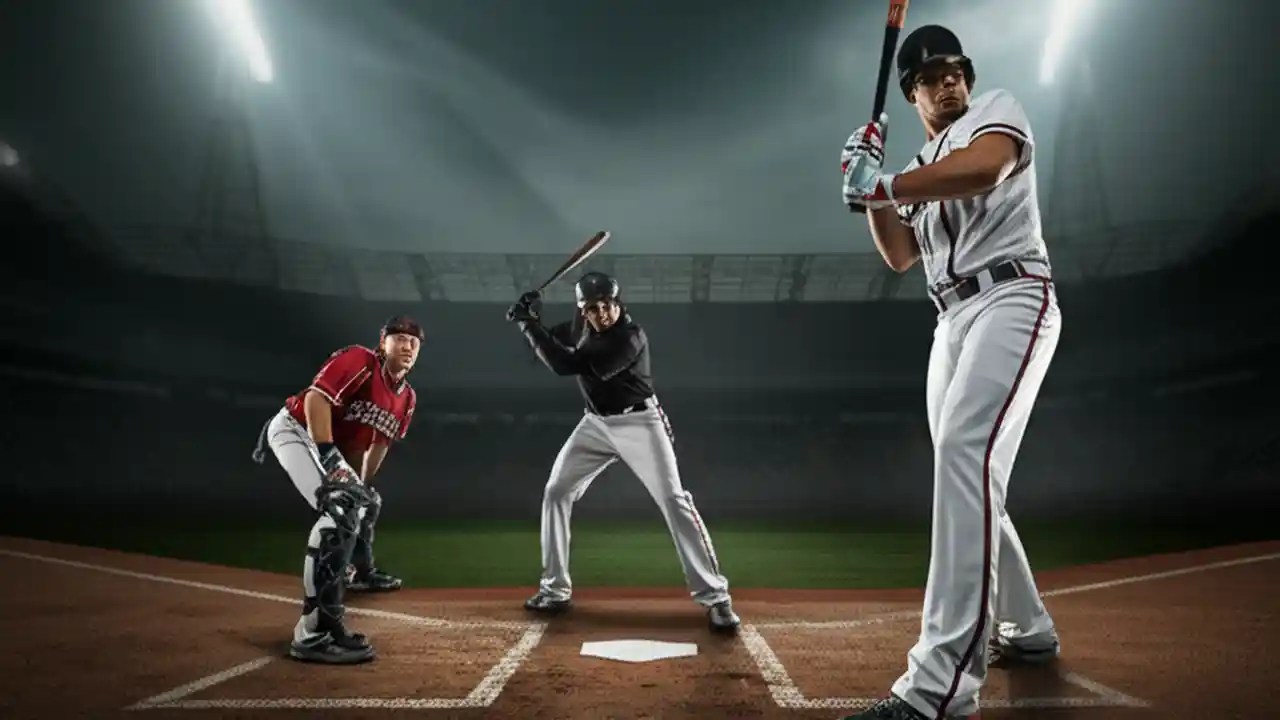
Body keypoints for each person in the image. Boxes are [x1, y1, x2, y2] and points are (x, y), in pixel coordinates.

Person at [837, 25, 1063, 719]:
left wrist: (889, 180)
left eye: (954, 71)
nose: (949, 82)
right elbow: (901, 255)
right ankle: (1029, 629)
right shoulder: (917, 160)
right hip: (951, 318)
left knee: (967, 453)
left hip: (1012, 294)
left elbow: (987, 167)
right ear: (912, 93)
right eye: (933, 77)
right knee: (966, 468)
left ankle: (938, 689)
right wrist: (872, 193)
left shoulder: (997, 107)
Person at [505, 271, 740, 633]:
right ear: (582, 309)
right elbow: (544, 347)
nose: (601, 314)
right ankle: (555, 589)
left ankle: (716, 597)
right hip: (595, 424)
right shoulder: (581, 325)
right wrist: (530, 318)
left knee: (674, 499)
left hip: (640, 424)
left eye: (606, 306)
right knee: (556, 492)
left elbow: (565, 364)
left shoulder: (629, 337)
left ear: (618, 304)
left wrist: (529, 325)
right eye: (592, 308)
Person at [251, 315, 422, 664]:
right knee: (340, 507)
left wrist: (362, 485)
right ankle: (312, 632)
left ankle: (357, 573)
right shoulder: (360, 360)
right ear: (382, 342)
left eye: (413, 341)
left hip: (332, 448)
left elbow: (379, 445)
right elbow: (316, 400)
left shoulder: (407, 399)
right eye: (399, 338)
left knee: (362, 500)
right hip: (298, 430)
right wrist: (330, 459)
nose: (406, 345)